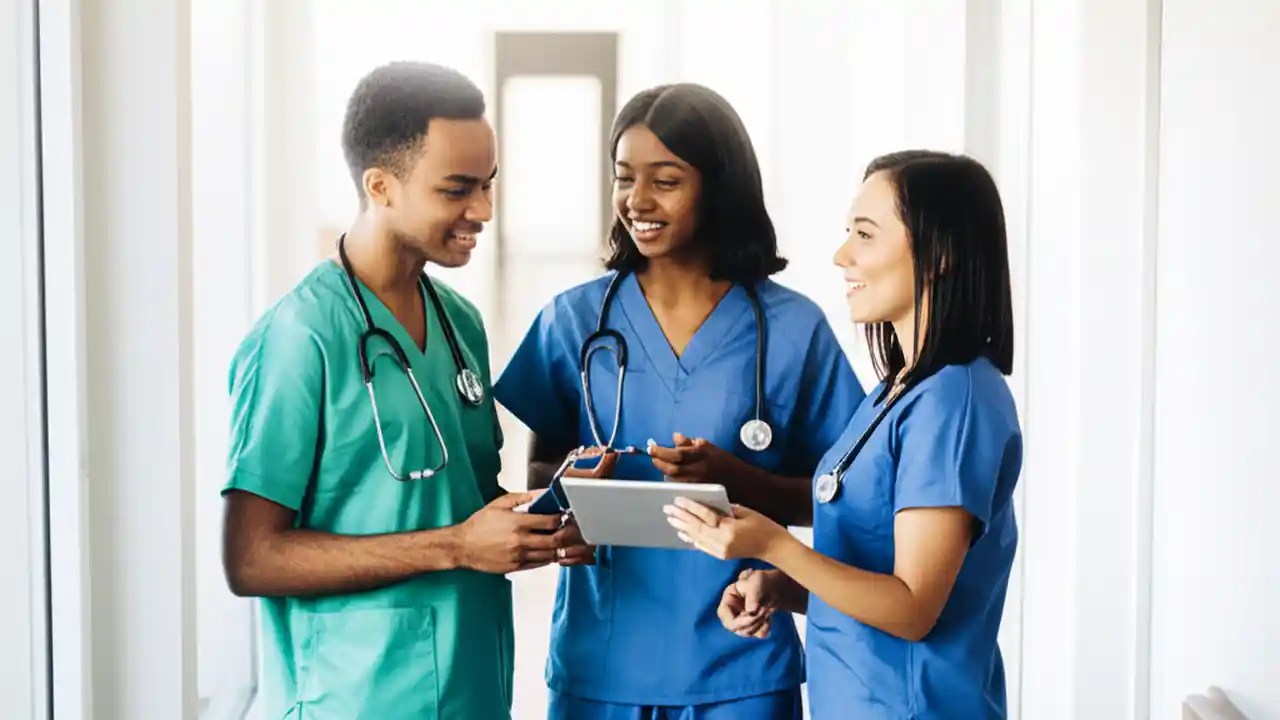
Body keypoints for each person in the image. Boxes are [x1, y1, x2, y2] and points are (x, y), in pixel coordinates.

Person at [494, 83, 864, 720]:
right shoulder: (575, 319)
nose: (637, 201)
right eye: (623, 177)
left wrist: (737, 479)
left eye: (665, 180)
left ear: (718, 187)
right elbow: (538, 479)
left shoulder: (793, 329)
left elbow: (844, 500)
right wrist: (568, 498)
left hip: (741, 657)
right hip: (602, 659)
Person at [220, 61, 576, 719]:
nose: (484, 211)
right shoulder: (301, 336)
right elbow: (251, 557)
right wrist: (456, 546)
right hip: (353, 698)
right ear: (380, 186)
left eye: (489, 185)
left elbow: (455, 500)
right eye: (456, 189)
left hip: (471, 689)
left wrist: (539, 520)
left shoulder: (459, 322)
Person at [665, 150, 1021, 719]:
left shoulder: (957, 402)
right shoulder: (897, 392)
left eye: (865, 235)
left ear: (941, 255)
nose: (842, 256)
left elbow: (912, 609)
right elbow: (877, 583)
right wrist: (785, 588)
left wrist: (774, 545)